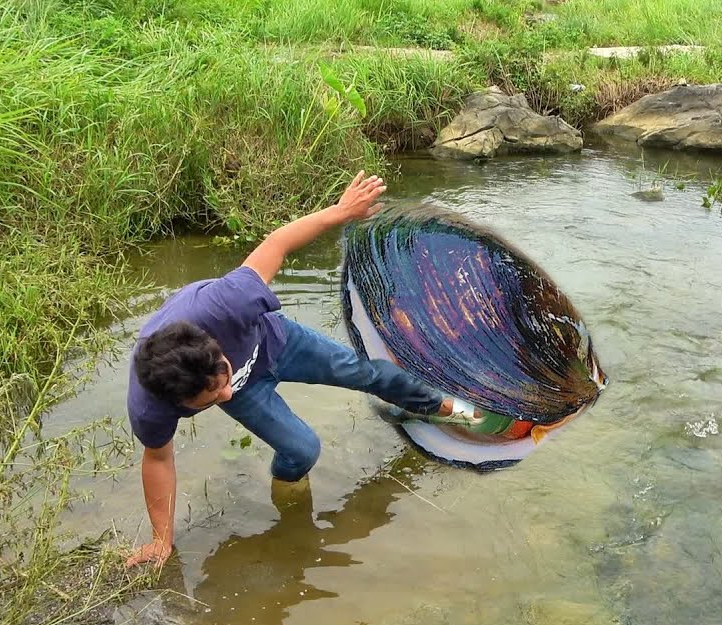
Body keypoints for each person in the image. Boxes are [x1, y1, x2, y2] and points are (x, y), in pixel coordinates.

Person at [124, 171, 482, 567]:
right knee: (302, 450)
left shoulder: (228, 303)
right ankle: (290, 515)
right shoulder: (150, 405)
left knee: (367, 373)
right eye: (210, 400)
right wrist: (162, 541)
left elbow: (276, 243)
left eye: (222, 380)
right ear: (179, 401)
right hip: (248, 384)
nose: (224, 397)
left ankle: (444, 408)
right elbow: (158, 460)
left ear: (216, 348)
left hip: (277, 342)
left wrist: (341, 212)